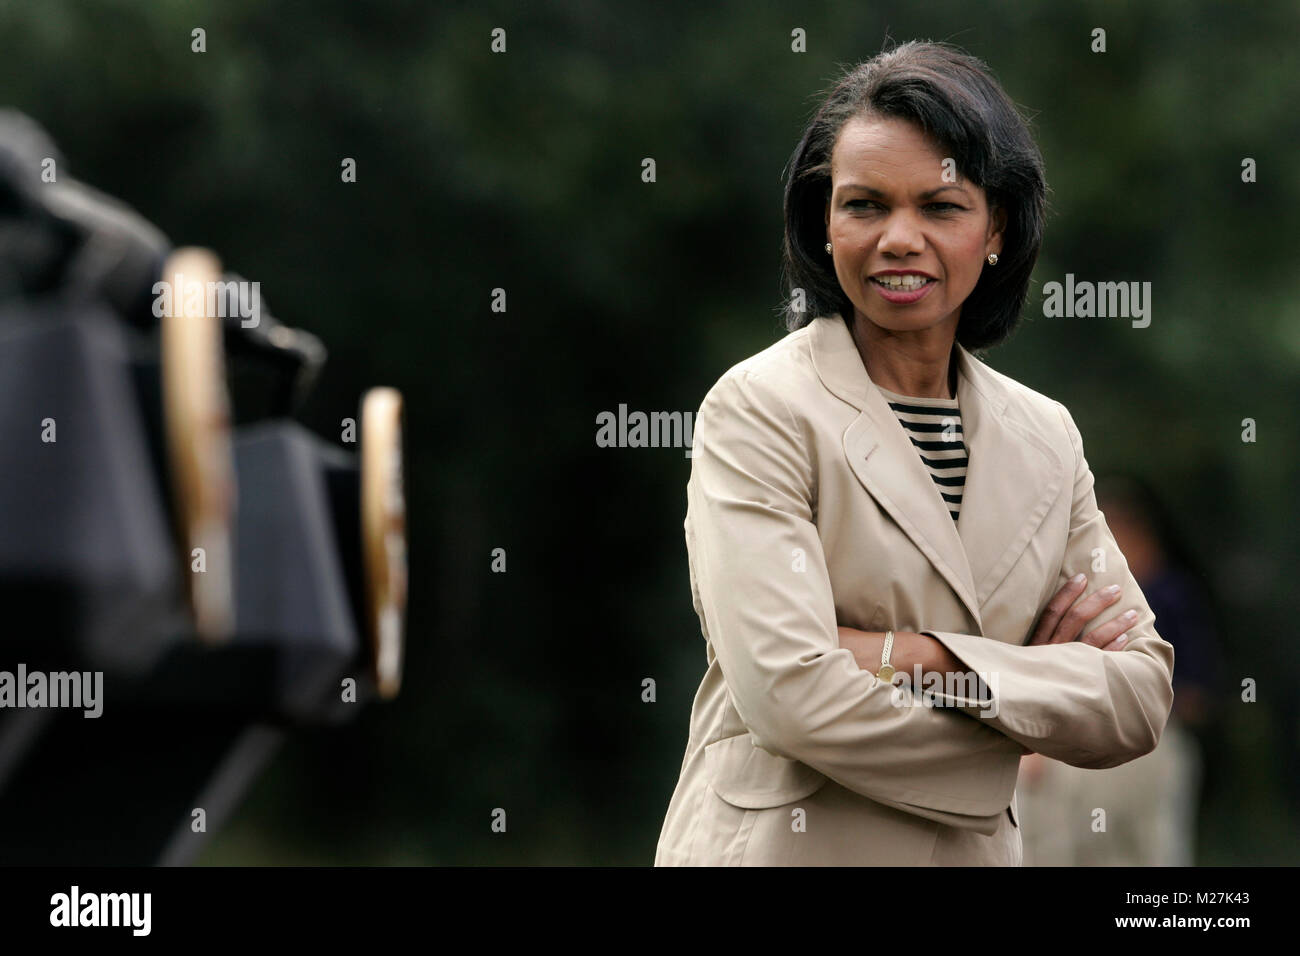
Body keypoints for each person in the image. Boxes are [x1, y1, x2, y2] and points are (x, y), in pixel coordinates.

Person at [654, 40, 1175, 866]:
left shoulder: (1046, 436)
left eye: (939, 206)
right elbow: (793, 697)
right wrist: (1021, 708)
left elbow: (1138, 697)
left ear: (996, 227)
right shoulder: (758, 410)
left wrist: (911, 656)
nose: (900, 238)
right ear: (823, 223)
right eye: (865, 205)